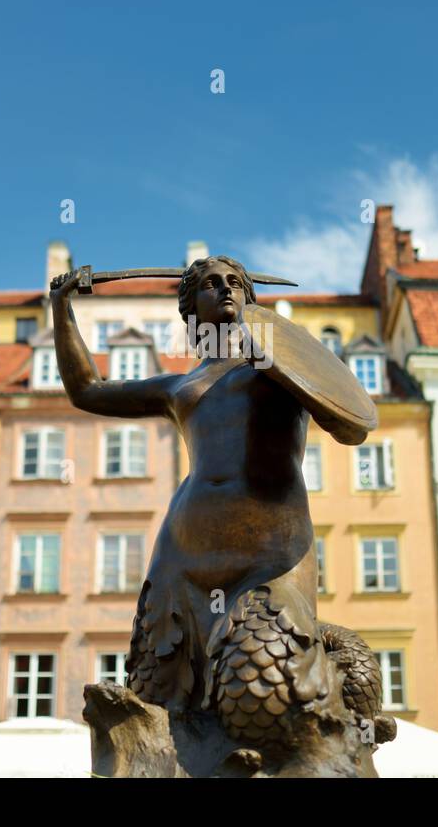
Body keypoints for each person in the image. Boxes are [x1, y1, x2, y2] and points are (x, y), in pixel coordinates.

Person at [50, 255, 393, 759]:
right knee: (158, 702)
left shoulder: (284, 368)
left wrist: (272, 348)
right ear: (192, 311)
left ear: (251, 301)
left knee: (264, 690)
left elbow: (352, 425)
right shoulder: (181, 385)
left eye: (236, 283)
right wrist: (61, 309)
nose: (226, 290)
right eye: (211, 285)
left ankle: (337, 685)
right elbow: (87, 390)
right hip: (182, 559)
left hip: (270, 555)